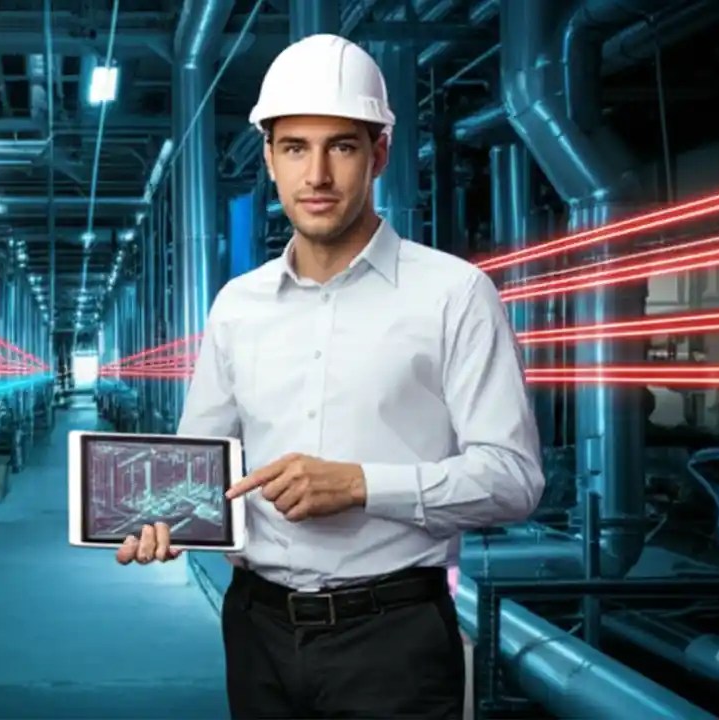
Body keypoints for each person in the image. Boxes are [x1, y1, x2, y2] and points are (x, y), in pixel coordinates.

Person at [115, 34, 545, 719]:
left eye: (341, 146)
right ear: (269, 159)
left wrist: (360, 484)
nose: (316, 174)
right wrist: (159, 520)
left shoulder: (454, 294)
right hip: (256, 630)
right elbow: (199, 470)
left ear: (378, 154)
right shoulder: (238, 306)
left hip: (393, 637)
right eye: (295, 148)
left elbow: (514, 479)